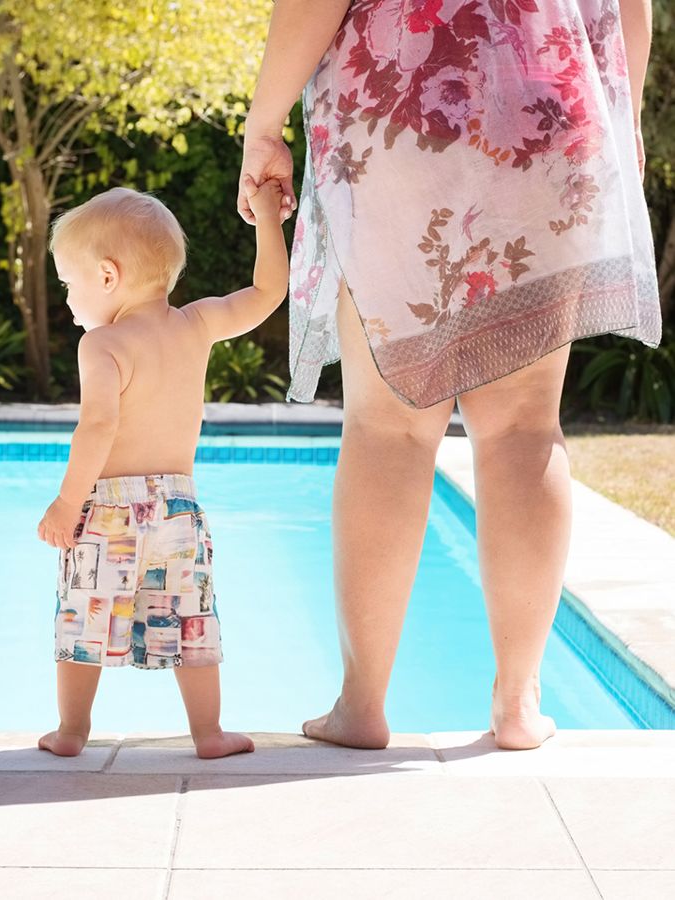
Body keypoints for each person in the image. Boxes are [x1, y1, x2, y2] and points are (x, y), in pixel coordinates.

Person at [239, 0, 661, 749]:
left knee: (388, 427)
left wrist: (263, 123)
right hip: (552, 104)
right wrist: (620, 119)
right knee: (524, 425)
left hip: (404, 105)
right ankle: (518, 702)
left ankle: (362, 704)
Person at [36, 182, 288, 759]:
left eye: (68, 284)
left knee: (83, 618)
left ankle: (72, 731)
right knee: (191, 619)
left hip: (108, 510)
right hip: (179, 510)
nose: (67, 299)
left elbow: (97, 427)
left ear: (107, 276)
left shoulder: (103, 344)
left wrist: (67, 503)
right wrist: (268, 219)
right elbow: (269, 291)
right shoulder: (195, 324)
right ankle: (209, 733)